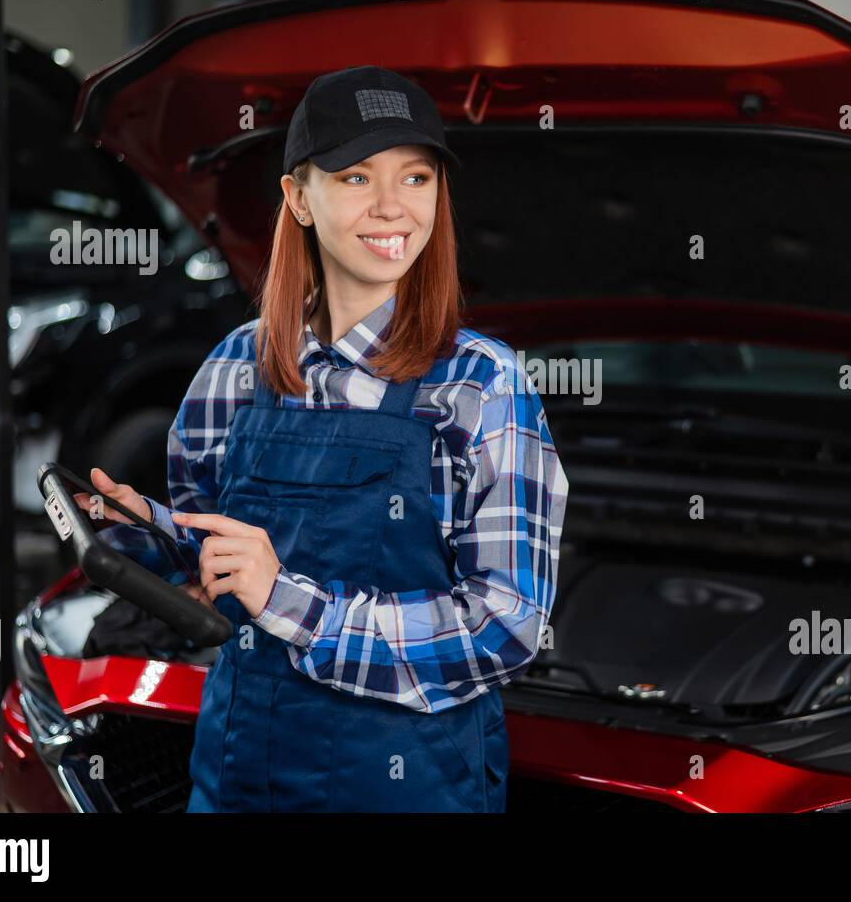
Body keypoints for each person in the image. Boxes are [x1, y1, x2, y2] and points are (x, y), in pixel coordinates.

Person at [82, 65, 568, 812]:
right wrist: (142, 528)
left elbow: (504, 626)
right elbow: (215, 548)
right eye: (354, 177)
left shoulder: (481, 387)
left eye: (415, 178)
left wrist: (292, 603)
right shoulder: (237, 366)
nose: (391, 208)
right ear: (298, 198)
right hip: (240, 771)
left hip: (407, 786)